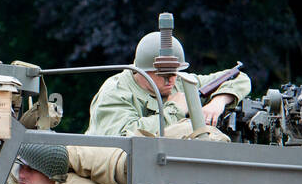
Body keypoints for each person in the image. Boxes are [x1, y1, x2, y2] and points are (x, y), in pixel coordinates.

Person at [87, 32, 250, 138]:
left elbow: (237, 77)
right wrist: (176, 109)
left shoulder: (180, 82)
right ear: (142, 71)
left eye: (176, 72)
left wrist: (218, 102)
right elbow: (124, 137)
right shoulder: (116, 91)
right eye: (164, 75)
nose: (172, 80)